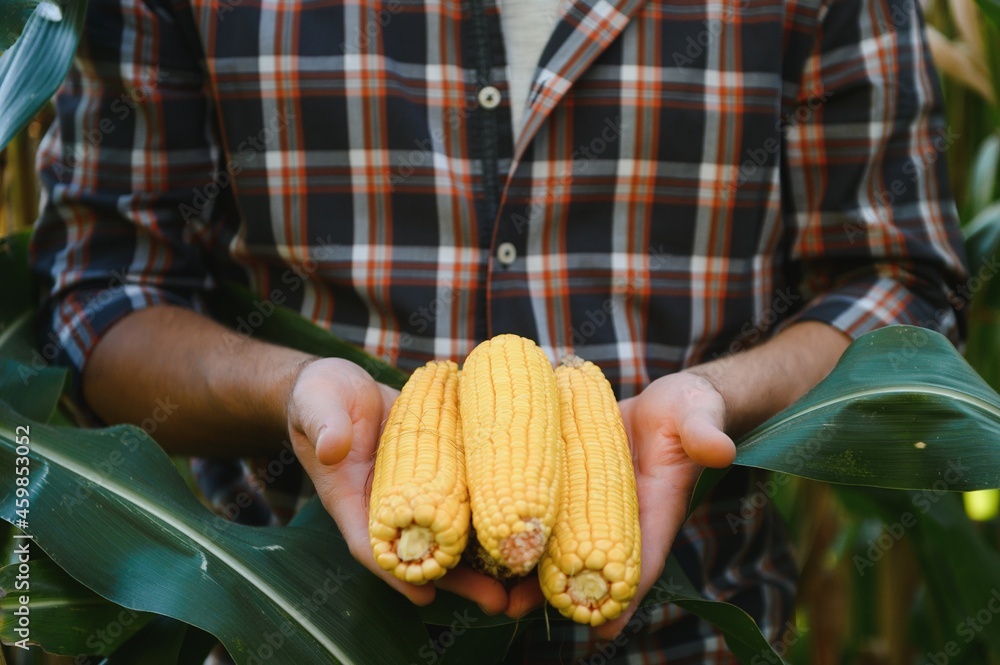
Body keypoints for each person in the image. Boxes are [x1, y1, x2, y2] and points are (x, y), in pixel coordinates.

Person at [30, 0, 968, 660]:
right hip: (285, 623)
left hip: (688, 632)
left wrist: (719, 397)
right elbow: (103, 294)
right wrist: (291, 394)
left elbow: (896, 284)